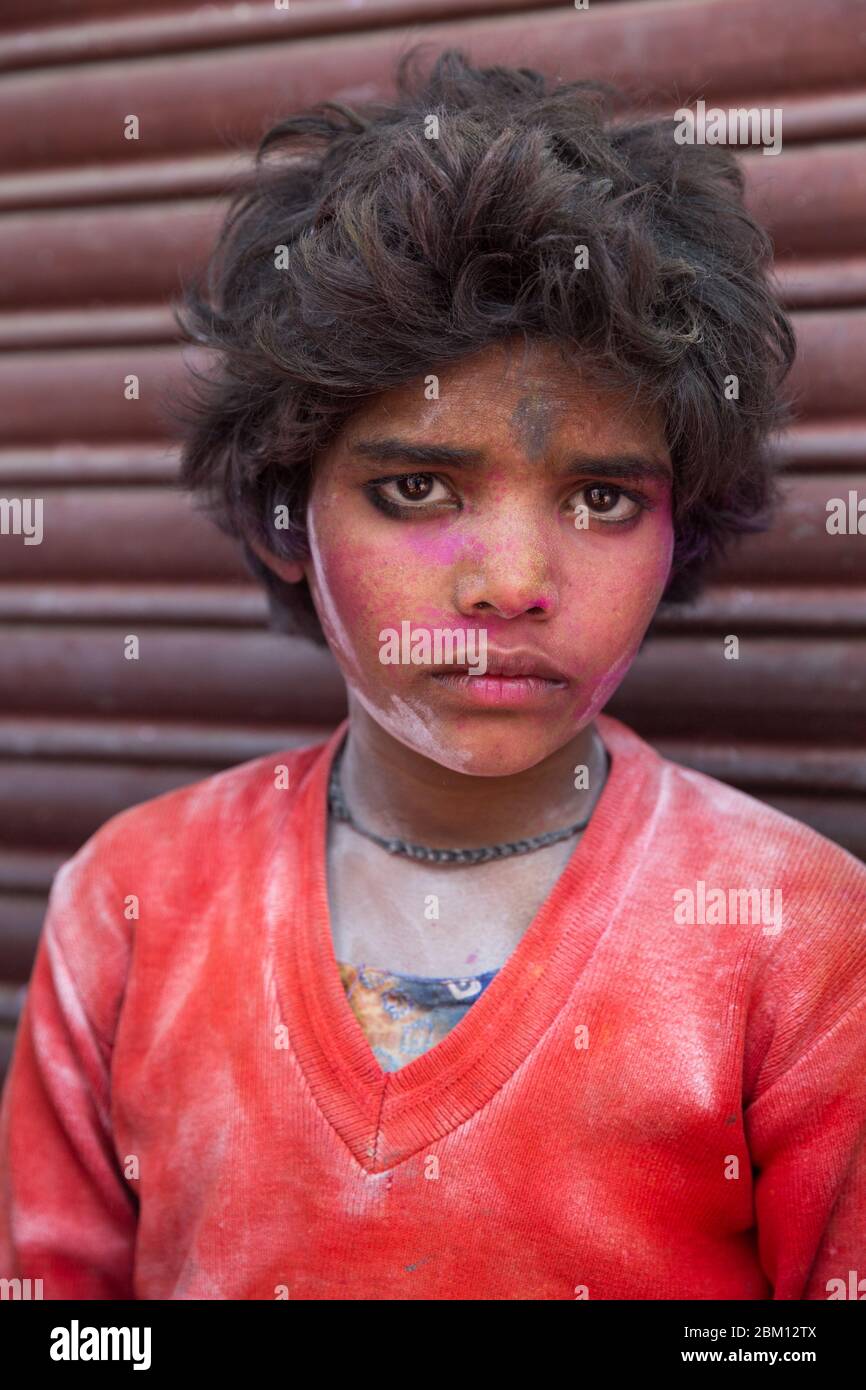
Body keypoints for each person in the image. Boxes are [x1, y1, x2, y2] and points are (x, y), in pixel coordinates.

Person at [1, 47, 864, 1301]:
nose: (509, 580)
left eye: (602, 496)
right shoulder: (130, 903)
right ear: (282, 522)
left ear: (685, 525)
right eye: (416, 487)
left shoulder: (800, 939)